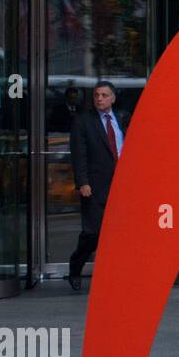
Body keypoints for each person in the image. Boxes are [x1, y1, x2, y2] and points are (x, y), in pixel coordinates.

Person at [67, 81, 129, 292]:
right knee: (93, 232)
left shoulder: (122, 119)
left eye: (104, 95)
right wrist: (83, 182)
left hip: (122, 186)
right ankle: (75, 266)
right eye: (96, 95)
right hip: (95, 186)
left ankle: (115, 274)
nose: (99, 99)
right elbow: (79, 155)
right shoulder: (83, 122)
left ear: (113, 98)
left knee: (120, 233)